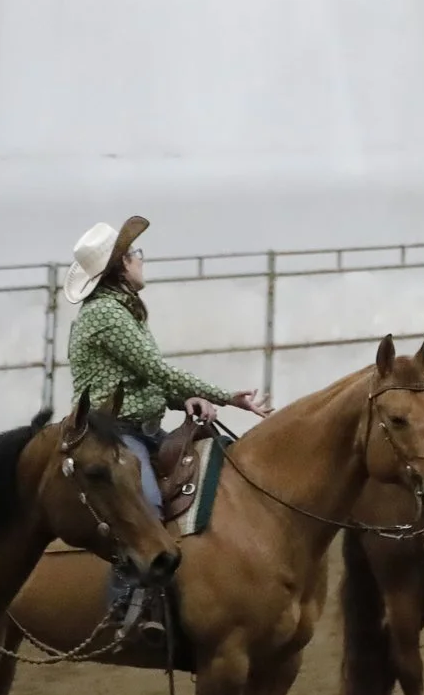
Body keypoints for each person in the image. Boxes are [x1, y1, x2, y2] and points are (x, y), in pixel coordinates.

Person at [64, 215, 272, 630]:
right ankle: (129, 605)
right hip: (113, 434)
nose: (141, 259)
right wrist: (225, 397)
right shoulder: (106, 315)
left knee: (217, 469)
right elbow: (157, 370)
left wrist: (185, 400)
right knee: (145, 504)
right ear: (120, 266)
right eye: (135, 254)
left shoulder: (124, 312)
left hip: (142, 427)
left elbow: (146, 379)